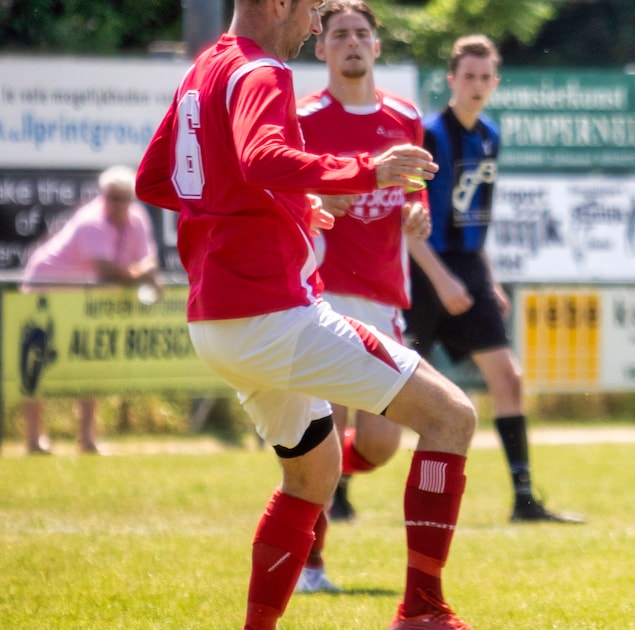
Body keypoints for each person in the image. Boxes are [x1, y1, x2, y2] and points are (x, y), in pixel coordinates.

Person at [135, 1, 476, 628]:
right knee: (452, 417)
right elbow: (261, 158)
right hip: (273, 312)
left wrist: (288, 203)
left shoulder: (204, 70)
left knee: (315, 473)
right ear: (277, 3)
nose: (315, 26)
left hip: (217, 322)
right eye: (313, 11)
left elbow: (156, 179)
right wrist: (361, 170)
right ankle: (423, 610)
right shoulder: (263, 71)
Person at [402, 33, 583, 524]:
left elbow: (477, 214)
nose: (477, 85)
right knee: (387, 397)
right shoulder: (428, 133)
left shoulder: (490, 136)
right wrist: (440, 280)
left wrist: (488, 278)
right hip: (423, 270)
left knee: (508, 378)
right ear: (451, 80)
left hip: (468, 268)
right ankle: (342, 490)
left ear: (495, 82)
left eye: (485, 77)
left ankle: (524, 499)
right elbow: (407, 216)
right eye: (469, 77)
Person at [290, 0, 428, 594]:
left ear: (376, 47)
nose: (351, 42)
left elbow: (413, 191)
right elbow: (281, 193)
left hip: (383, 295)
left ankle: (310, 482)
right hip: (321, 291)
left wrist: (417, 212)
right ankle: (310, 566)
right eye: (339, 33)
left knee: (379, 442)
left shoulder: (404, 116)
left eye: (361, 33)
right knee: (328, 428)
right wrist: (318, 201)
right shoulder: (303, 117)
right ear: (320, 48)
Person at [21, 165, 161, 455]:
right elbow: (109, 271)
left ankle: (87, 439)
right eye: (113, 196)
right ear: (103, 195)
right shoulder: (90, 221)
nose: (119, 203)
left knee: (90, 362)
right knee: (36, 364)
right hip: (45, 289)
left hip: (83, 297)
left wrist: (143, 273)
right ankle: (34, 440)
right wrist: (141, 275)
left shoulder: (137, 219)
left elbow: (149, 262)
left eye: (125, 197)